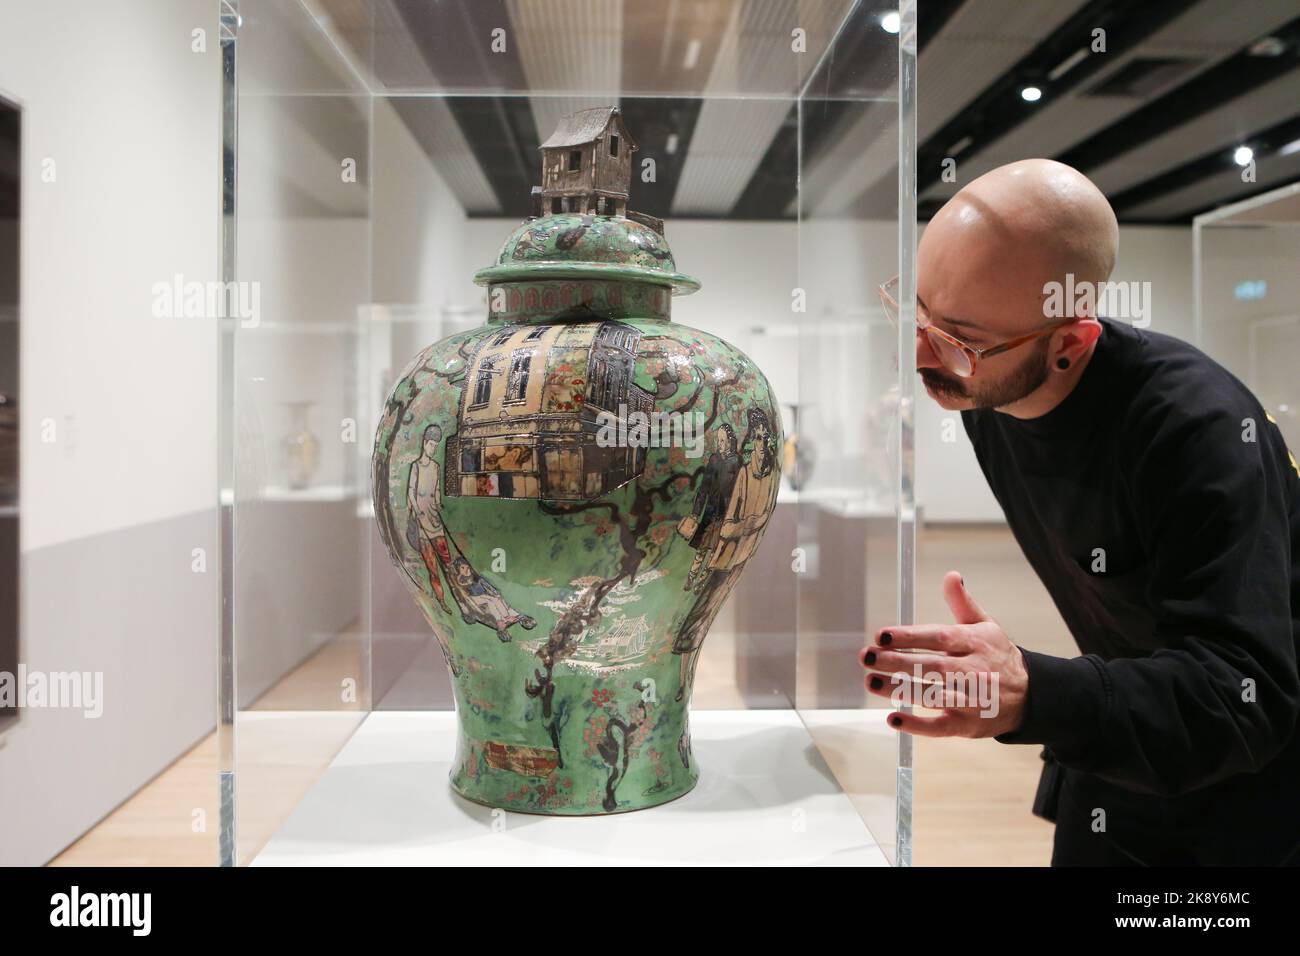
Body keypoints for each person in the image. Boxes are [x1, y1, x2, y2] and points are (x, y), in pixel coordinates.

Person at [864, 158, 1300, 866]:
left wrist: (1033, 691)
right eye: (917, 311)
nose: (919, 356)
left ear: (1070, 342)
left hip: (1248, 796)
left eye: (961, 339)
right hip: (1122, 743)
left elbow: (1244, 700)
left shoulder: (1200, 433)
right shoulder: (984, 397)